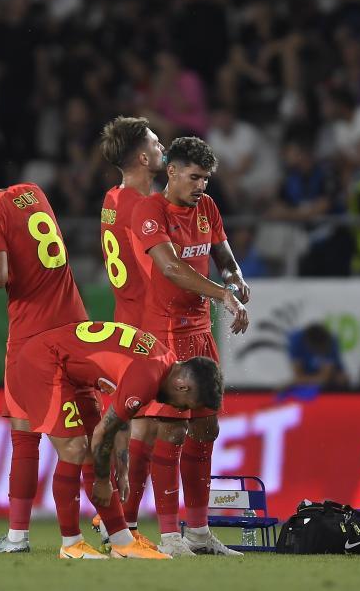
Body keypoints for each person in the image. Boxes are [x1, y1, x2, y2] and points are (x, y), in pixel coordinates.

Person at [0, 164, 131, 556]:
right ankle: (112, 527)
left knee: (27, 437)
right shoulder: (31, 192)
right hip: (75, 327)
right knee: (89, 435)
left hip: (33, 340)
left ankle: (29, 536)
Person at [126, 136, 249, 556]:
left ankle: (198, 531)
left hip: (200, 333)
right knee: (172, 429)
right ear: (172, 171)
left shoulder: (207, 208)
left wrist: (236, 281)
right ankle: (169, 535)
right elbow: (171, 268)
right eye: (195, 177)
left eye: (207, 179)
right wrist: (223, 295)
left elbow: (226, 258)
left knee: (206, 428)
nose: (201, 186)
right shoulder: (149, 211)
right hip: (164, 335)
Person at [15, 320, 225, 559]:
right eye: (187, 404)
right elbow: (104, 433)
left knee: (95, 453)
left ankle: (122, 542)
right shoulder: (147, 377)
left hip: (72, 370)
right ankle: (70, 545)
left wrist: (122, 470)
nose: (180, 408)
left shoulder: (162, 361)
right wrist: (104, 482)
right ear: (183, 386)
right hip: (44, 362)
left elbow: (121, 421)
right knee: (76, 449)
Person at [97, 116, 164, 549]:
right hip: (148, 324)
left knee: (130, 426)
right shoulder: (143, 207)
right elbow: (156, 270)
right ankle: (123, 524)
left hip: (125, 322)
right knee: (147, 429)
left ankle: (116, 521)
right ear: (142, 156)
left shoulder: (112, 197)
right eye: (157, 142)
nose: (164, 146)